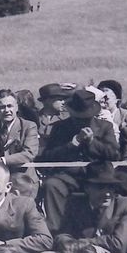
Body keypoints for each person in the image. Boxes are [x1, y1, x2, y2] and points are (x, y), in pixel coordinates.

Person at [39, 89, 120, 235]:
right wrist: (71, 145)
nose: (82, 121)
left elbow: (114, 154)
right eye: (78, 118)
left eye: (85, 118)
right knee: (52, 185)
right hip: (68, 177)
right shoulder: (60, 127)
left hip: (98, 176)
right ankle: (57, 233)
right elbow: (47, 156)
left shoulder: (105, 126)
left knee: (107, 188)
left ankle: (105, 231)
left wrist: (92, 142)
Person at [36, 83, 74, 147]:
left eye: (63, 99)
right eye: (60, 99)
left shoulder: (68, 118)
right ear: (48, 100)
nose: (63, 102)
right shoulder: (35, 118)